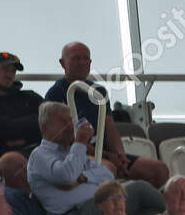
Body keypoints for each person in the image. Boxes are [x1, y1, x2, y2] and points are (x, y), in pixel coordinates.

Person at [28, 101, 164, 215]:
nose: (71, 126)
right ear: (45, 127)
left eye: (71, 121)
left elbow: (107, 174)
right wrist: (80, 142)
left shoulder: (73, 153)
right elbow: (67, 176)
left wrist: (82, 178)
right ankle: (179, 212)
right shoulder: (39, 155)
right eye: (64, 122)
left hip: (97, 208)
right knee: (139, 189)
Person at [45, 43, 168, 188]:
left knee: (159, 171)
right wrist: (109, 157)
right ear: (62, 63)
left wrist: (121, 156)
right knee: (107, 169)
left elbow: (109, 127)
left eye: (85, 59)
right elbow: (68, 140)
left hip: (105, 153)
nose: (81, 63)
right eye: (76, 58)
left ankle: (137, 208)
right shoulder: (55, 94)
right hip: (74, 155)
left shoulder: (98, 91)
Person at [0, 50, 43, 187]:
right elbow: (2, 134)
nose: (10, 74)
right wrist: (36, 124)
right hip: (12, 167)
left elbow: (53, 121)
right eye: (4, 69)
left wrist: (20, 135)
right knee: (11, 161)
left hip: (44, 154)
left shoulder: (31, 97)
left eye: (13, 70)